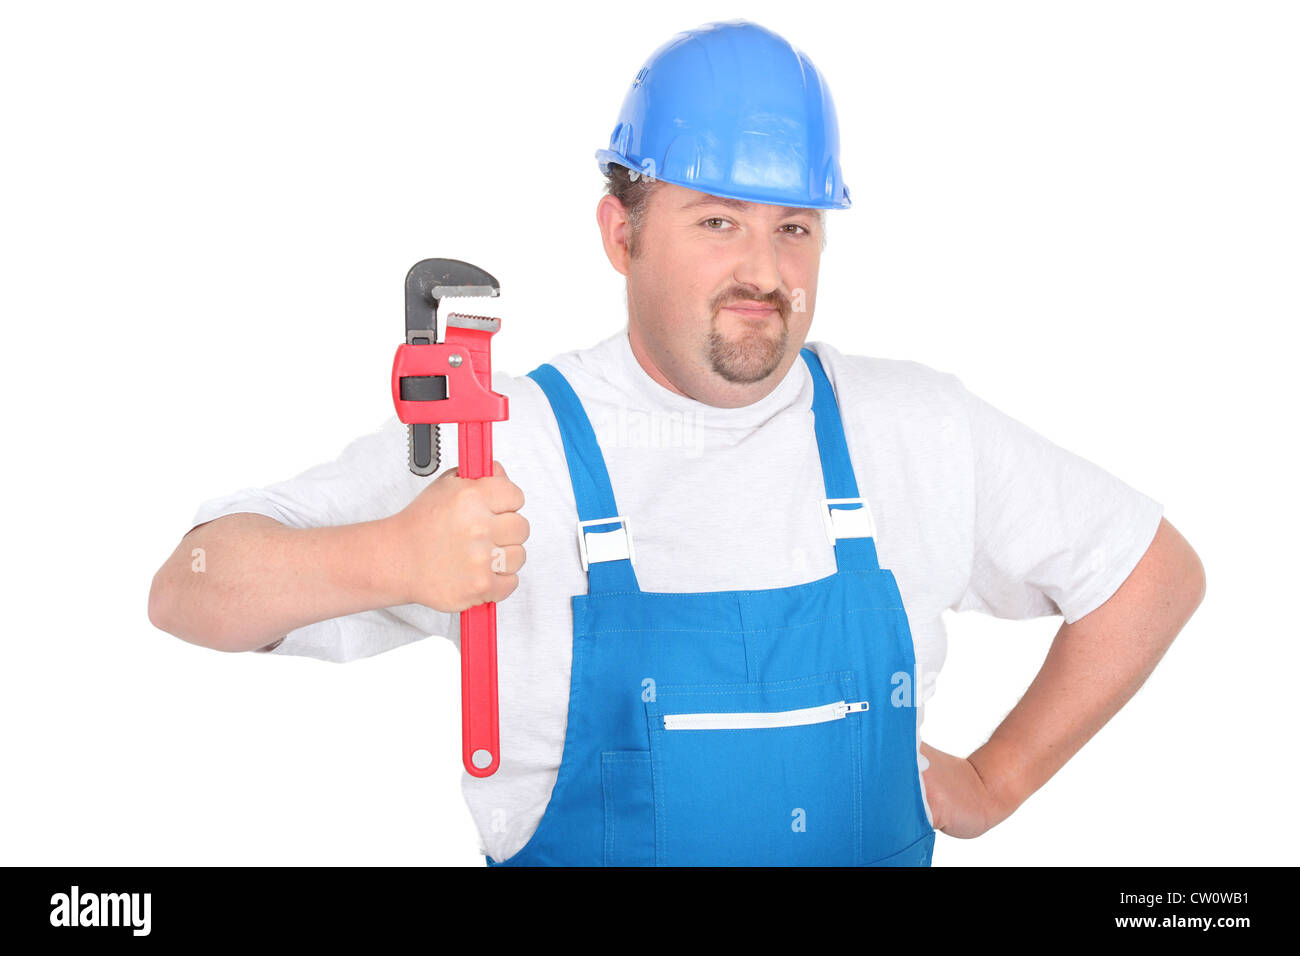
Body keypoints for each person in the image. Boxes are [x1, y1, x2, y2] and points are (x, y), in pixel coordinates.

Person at [148, 19, 1205, 866]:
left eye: (793, 226)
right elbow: (189, 586)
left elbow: (1151, 573)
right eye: (717, 221)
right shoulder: (498, 440)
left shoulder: (913, 427)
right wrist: (387, 558)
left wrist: (993, 780)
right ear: (622, 233)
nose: (765, 269)